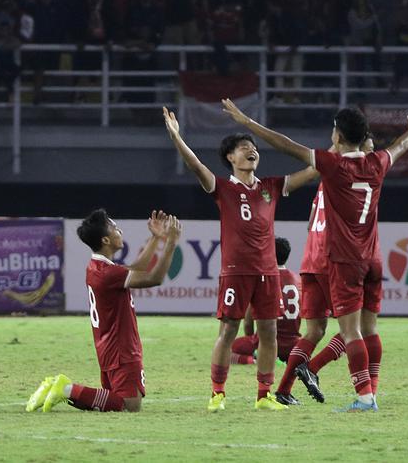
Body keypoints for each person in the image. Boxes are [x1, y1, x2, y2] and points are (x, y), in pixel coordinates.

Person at [220, 100, 408, 411]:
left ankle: (364, 396)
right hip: (371, 256)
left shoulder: (334, 166)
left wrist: (249, 123)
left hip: (343, 259)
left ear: (337, 137)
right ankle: (357, 389)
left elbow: (287, 145)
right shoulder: (378, 163)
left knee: (349, 331)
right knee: (365, 328)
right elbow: (398, 148)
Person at [161, 107, 318, 411]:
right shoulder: (222, 188)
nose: (252, 151)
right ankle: (217, 393)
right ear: (231, 158)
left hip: (268, 272)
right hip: (235, 271)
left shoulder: (271, 186)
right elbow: (194, 165)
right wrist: (177, 136)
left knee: (268, 332)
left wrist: (336, 155)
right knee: (229, 330)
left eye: (254, 148)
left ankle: (264, 396)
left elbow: (312, 171)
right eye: (245, 148)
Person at [25, 209, 181, 413]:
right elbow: (154, 278)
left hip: (107, 347)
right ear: (106, 240)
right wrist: (170, 243)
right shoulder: (109, 273)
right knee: (129, 406)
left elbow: (137, 267)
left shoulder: (97, 267)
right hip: (122, 349)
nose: (120, 230)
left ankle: (55, 387)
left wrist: (155, 237)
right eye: (115, 228)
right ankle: (66, 388)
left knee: (115, 401)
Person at [274, 135, 376, 405]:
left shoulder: (326, 183)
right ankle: (315, 368)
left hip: (311, 258)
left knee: (314, 331)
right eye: (368, 149)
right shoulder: (349, 182)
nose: (369, 155)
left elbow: (310, 225)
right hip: (333, 259)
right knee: (353, 327)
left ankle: (284, 390)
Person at [227, 238, 301, 370]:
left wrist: (251, 341)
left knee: (225, 348)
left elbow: (248, 322)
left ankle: (255, 359)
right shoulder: (298, 280)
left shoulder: (264, 278)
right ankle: (288, 359)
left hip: (267, 342)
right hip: (293, 345)